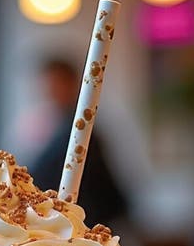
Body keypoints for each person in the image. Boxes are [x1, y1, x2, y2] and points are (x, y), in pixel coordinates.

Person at [29, 57, 129, 228]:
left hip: (80, 226)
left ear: (74, 84)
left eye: (56, 84)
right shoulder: (52, 126)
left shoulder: (82, 134)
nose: (50, 91)